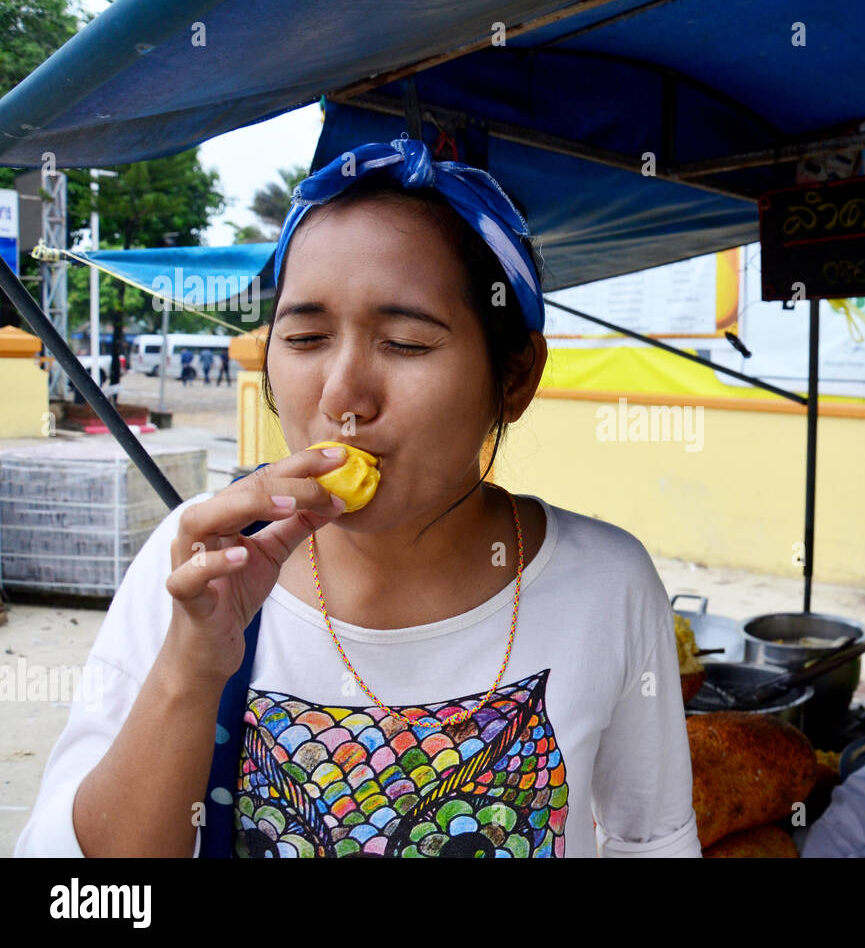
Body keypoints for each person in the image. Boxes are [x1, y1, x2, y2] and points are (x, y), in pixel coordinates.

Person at [16, 138, 700, 859]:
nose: (342, 394)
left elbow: (648, 841)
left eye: (405, 342)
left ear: (516, 376)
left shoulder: (607, 585)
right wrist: (191, 666)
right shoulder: (197, 565)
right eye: (306, 337)